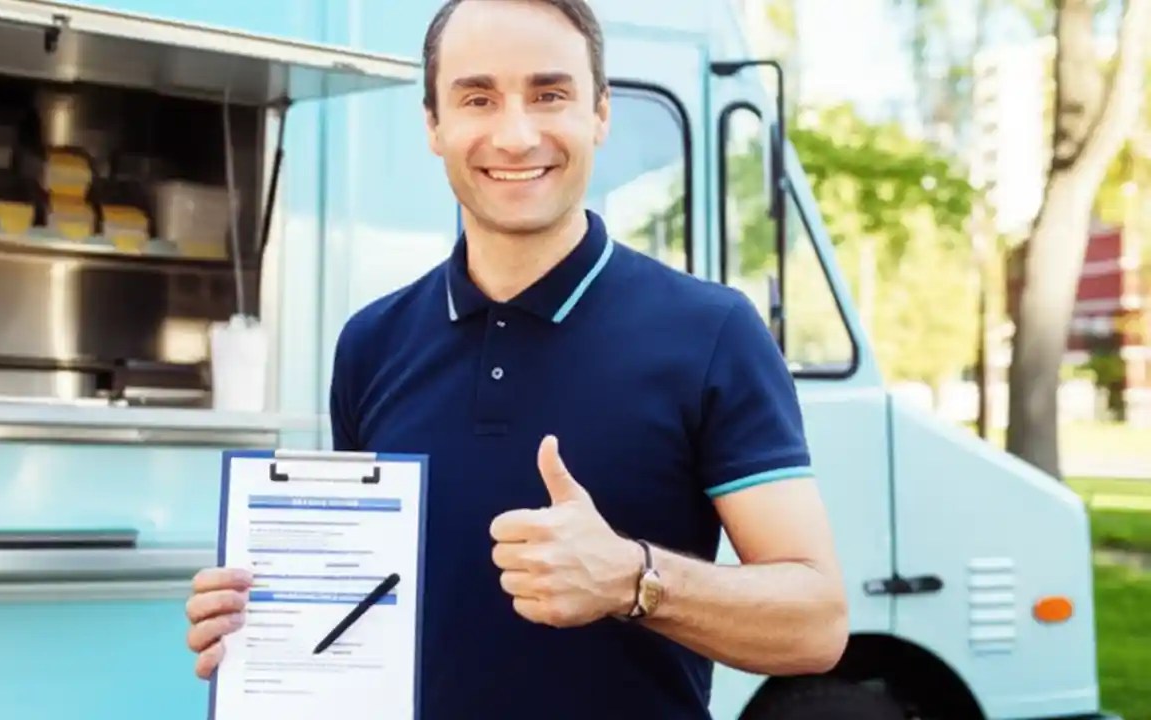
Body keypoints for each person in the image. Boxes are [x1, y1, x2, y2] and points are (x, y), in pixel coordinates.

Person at [184, 0, 848, 716]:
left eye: (549, 94)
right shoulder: (371, 343)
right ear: (433, 124)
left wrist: (632, 579)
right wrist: (267, 625)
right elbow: (370, 610)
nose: (516, 135)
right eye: (478, 99)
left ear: (600, 112)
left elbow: (816, 624)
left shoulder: (713, 332)